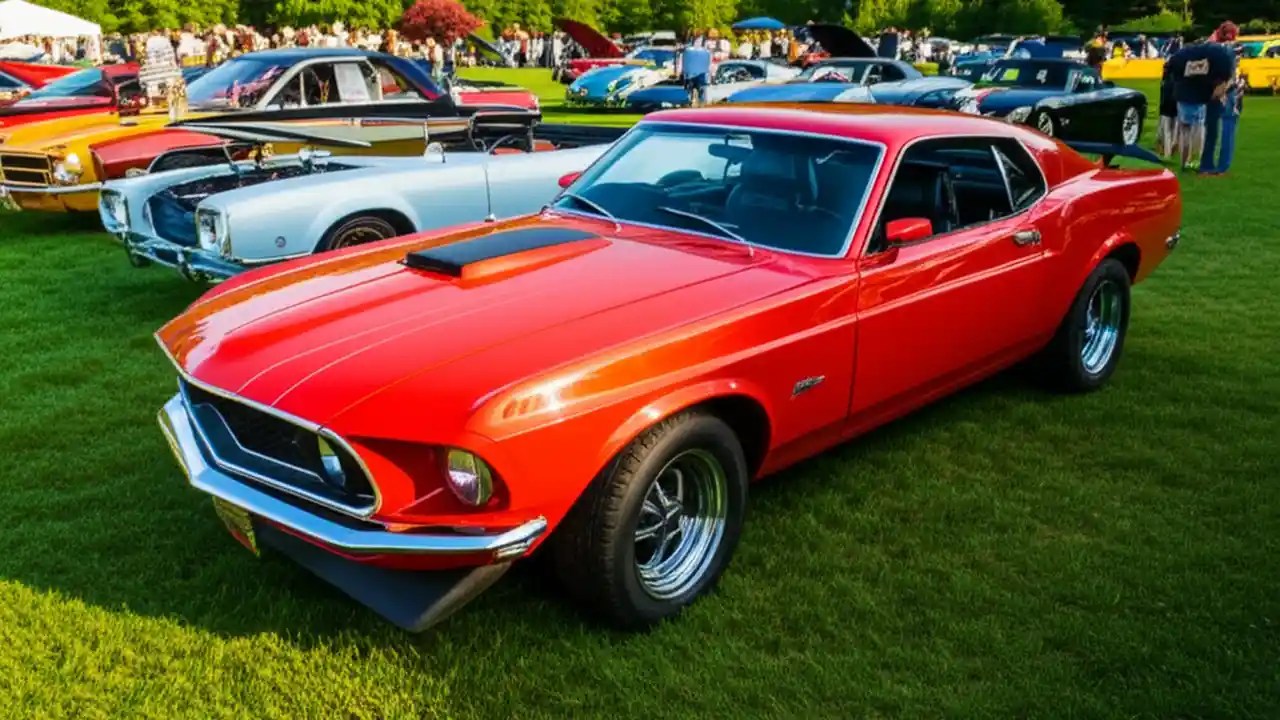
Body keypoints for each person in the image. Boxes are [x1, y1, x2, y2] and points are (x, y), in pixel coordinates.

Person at [1167, 25, 1236, 171]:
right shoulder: (1220, 53)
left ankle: (1184, 162)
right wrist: (1215, 95)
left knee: (1185, 129)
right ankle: (1196, 161)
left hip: (1182, 95)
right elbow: (1224, 81)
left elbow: (1171, 72)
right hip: (1198, 97)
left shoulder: (1182, 54)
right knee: (1198, 129)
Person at [1199, 22, 1240, 175]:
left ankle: (1206, 165)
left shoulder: (1207, 47)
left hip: (1210, 91)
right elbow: (1232, 75)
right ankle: (1222, 167)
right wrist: (1222, 91)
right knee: (1227, 129)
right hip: (1227, 92)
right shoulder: (1233, 49)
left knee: (1211, 128)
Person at [679, 41, 711, 107]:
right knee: (700, 91)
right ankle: (700, 101)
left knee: (692, 89)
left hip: (690, 74)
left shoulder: (687, 51)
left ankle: (691, 100)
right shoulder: (705, 52)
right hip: (700, 75)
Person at [1157, 61, 1178, 159]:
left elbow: (1164, 97)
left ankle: (1167, 152)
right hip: (1176, 108)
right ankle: (1173, 148)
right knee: (1174, 130)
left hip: (1166, 109)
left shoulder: (1165, 81)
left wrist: (1161, 110)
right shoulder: (1177, 80)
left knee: (1167, 131)